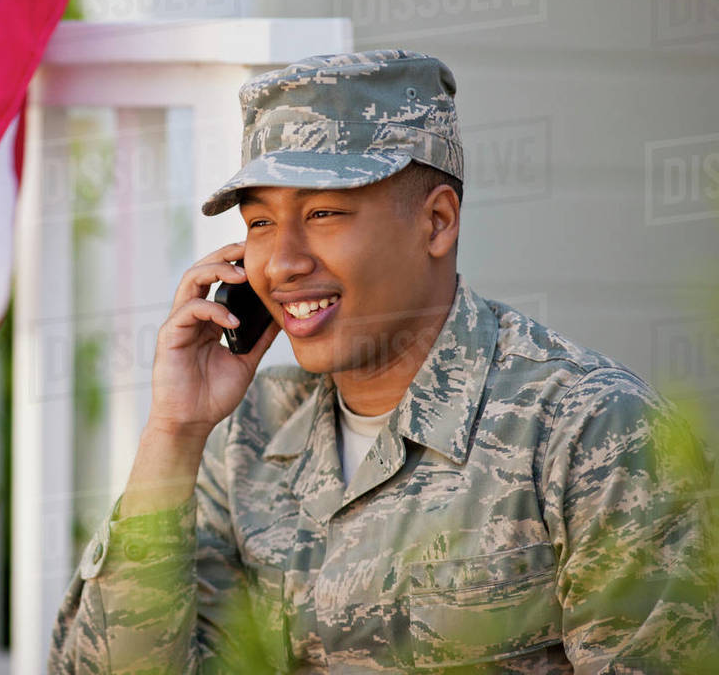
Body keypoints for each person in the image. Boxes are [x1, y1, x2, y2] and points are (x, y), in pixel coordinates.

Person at [47, 50, 717, 673]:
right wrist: (175, 432)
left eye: (325, 213)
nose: (282, 262)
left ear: (437, 223)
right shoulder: (245, 438)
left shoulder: (593, 433)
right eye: (259, 224)